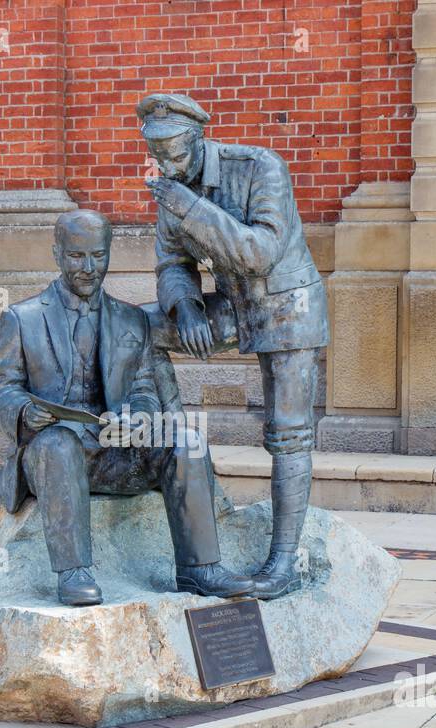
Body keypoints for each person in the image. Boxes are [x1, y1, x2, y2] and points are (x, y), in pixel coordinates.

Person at [0, 209, 255, 607]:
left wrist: (139, 415)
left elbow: (145, 388)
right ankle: (75, 571)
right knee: (59, 443)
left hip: (115, 448)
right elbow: (0, 387)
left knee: (186, 441)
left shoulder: (130, 319)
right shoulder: (22, 318)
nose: (89, 267)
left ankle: (199, 568)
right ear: (57, 254)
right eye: (77, 256)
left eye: (98, 255)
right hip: (51, 450)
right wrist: (25, 412)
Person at [139, 92, 330, 599]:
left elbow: (261, 252)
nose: (166, 165)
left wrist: (192, 207)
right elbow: (171, 264)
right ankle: (176, 449)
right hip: (231, 304)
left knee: (287, 435)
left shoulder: (261, 167)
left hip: (289, 306)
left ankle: (283, 562)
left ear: (199, 139)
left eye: (175, 154)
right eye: (157, 156)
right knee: (143, 330)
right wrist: (184, 306)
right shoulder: (172, 187)